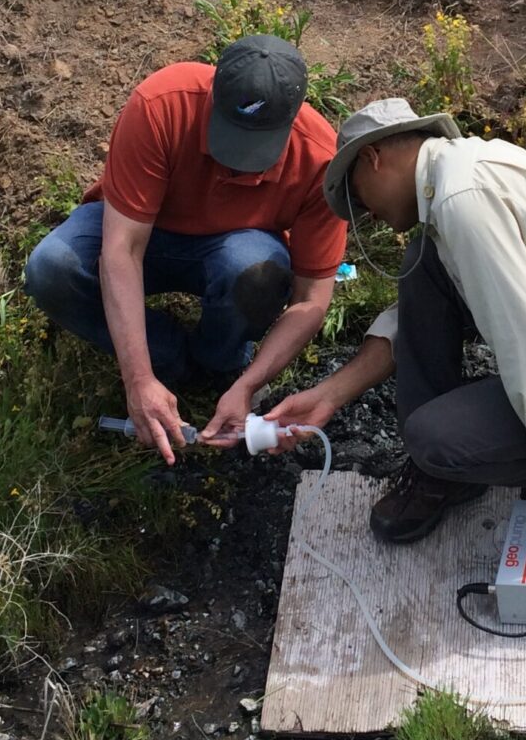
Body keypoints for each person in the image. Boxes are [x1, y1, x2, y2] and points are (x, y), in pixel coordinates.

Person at [264, 100, 526, 566]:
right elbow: (413, 319)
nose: (369, 215)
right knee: (424, 265)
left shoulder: (462, 198)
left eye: (359, 199)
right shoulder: (466, 173)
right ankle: (447, 474)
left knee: (433, 438)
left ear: (373, 158)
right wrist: (329, 395)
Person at [23, 37, 347, 463]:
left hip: (234, 249)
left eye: (256, 149)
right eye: (229, 139)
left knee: (256, 270)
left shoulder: (321, 159)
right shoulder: (161, 104)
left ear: (291, 121)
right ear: (211, 95)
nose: (236, 163)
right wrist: (138, 377)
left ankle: (221, 364)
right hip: (142, 229)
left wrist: (248, 385)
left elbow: (310, 299)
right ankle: (169, 362)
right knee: (51, 267)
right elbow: (122, 248)